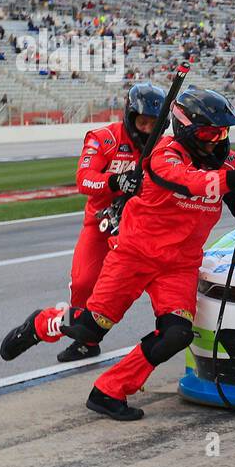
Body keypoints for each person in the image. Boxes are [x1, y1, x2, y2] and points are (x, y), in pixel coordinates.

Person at [0, 87, 235, 420]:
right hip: (135, 254)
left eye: (224, 132)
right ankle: (43, 323)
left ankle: (108, 391)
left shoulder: (229, 162)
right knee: (89, 329)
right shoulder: (163, 155)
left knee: (176, 333)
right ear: (186, 129)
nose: (218, 140)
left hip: (180, 265)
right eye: (210, 132)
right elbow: (192, 183)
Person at [56, 82, 167, 362]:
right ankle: (84, 339)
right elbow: (83, 180)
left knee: (164, 279)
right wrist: (116, 181)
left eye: (153, 124)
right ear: (130, 117)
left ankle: (172, 332)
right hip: (101, 220)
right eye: (142, 122)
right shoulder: (103, 138)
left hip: (143, 224)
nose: (147, 129)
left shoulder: (165, 147)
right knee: (82, 282)